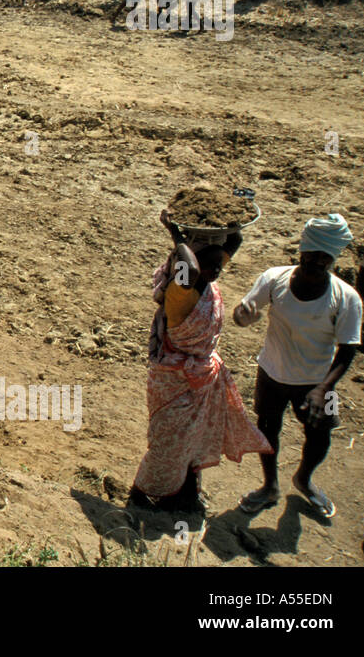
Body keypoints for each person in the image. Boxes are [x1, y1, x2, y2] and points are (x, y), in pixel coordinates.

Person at [130, 212, 270, 512]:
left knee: (192, 441)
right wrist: (177, 236)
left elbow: (234, 240)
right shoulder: (181, 289)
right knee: (168, 445)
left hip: (199, 376)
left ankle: (184, 493)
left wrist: (235, 214)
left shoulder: (204, 278)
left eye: (220, 263)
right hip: (175, 379)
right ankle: (141, 496)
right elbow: (191, 267)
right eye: (211, 263)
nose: (217, 269)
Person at [234, 215, 363, 519]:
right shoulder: (275, 279)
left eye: (325, 258)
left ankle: (304, 479)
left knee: (322, 434)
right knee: (268, 428)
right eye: (312, 255)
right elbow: (241, 316)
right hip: (272, 372)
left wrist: (324, 388)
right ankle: (270, 486)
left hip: (320, 381)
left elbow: (347, 351)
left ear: (333, 259)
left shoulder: (347, 299)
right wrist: (245, 315)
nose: (317, 262)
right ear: (301, 250)